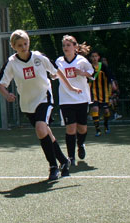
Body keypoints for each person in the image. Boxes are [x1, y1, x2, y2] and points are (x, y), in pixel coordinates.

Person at [0, 30, 82, 180]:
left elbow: (57, 71)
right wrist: (7, 94)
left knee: (40, 128)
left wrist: (71, 87)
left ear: (29, 42)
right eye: (19, 45)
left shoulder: (39, 57)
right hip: (27, 103)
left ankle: (53, 167)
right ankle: (63, 161)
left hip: (44, 97)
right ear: (13, 46)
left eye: (25, 43)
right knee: (45, 132)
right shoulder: (11, 63)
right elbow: (0, 84)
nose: (23, 47)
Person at [55, 35, 95, 166]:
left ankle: (81, 144)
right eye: (64, 45)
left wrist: (82, 73)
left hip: (82, 98)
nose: (65, 48)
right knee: (71, 128)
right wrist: (52, 75)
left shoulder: (81, 60)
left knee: (82, 128)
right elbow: (54, 74)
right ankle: (71, 157)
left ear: (75, 47)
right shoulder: (59, 61)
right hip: (66, 100)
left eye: (68, 45)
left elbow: (92, 72)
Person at [88, 51, 118, 136]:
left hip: (103, 92)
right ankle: (97, 129)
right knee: (95, 109)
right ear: (90, 58)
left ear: (98, 57)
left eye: (96, 56)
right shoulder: (89, 67)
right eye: (92, 56)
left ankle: (106, 124)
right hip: (93, 91)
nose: (94, 58)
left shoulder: (103, 66)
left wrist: (112, 84)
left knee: (106, 111)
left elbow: (110, 75)